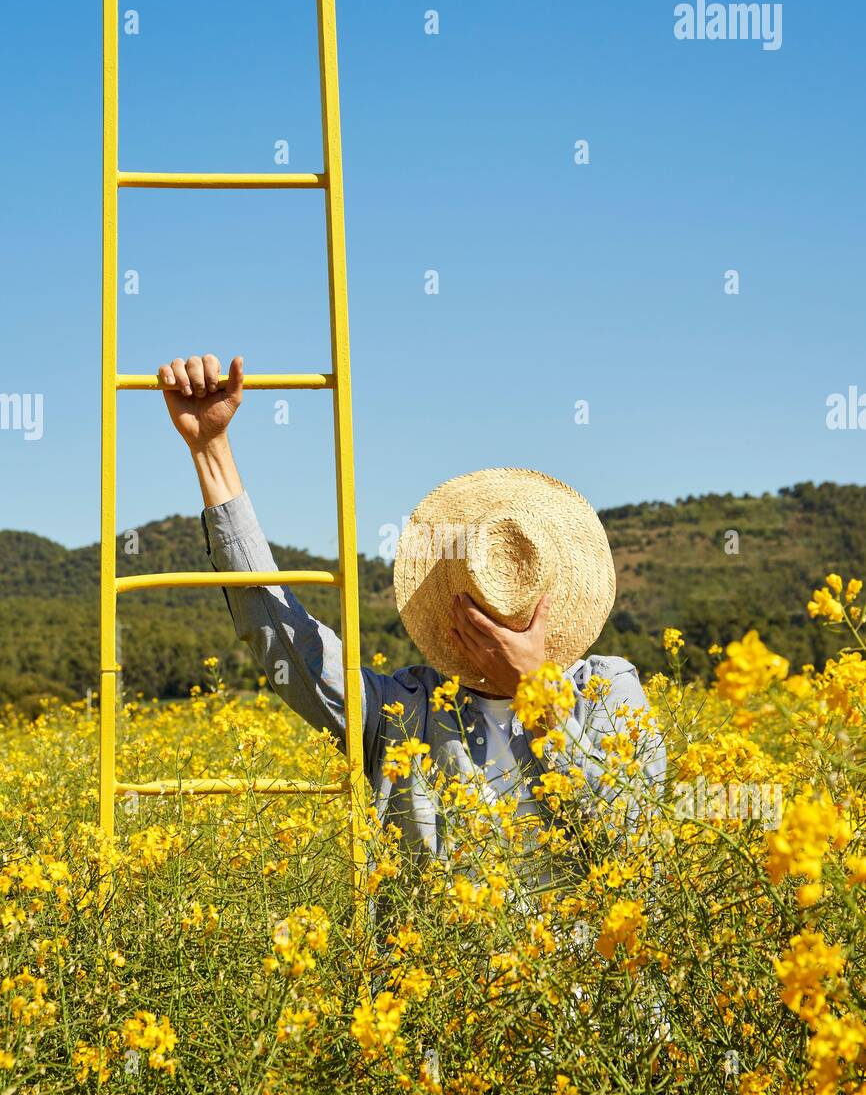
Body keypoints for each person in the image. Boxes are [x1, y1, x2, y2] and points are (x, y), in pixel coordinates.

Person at [160, 353, 666, 858]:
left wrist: (540, 702)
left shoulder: (605, 691)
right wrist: (211, 451)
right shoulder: (406, 709)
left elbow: (636, 845)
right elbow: (285, 640)